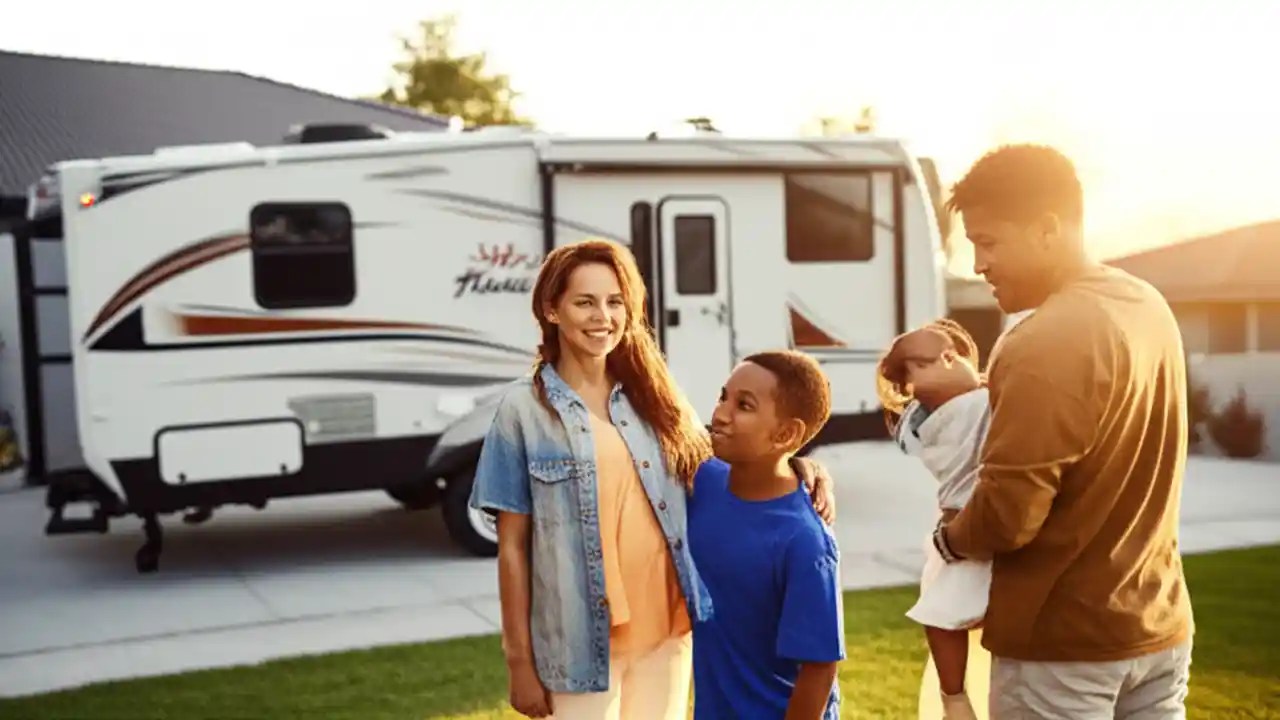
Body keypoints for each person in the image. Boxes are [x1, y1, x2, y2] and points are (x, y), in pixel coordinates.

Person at [468, 238, 836, 720]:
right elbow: (512, 548)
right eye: (585, 301)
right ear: (551, 309)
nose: (603, 315)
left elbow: (725, 461)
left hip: (667, 632)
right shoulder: (523, 409)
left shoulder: (653, 395)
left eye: (615, 301)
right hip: (580, 645)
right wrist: (519, 661)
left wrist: (803, 465)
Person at [930, 144, 1195, 718]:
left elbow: (1006, 515)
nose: (978, 264)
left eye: (989, 241)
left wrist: (948, 540)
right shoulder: (1146, 302)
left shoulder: (1041, 341)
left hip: (1062, 648)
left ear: (1048, 228)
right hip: (1158, 626)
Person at [688, 350, 845, 720]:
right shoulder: (704, 481)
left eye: (744, 406)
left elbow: (819, 668)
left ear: (786, 433)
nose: (721, 414)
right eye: (723, 396)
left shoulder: (805, 541)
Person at [877, 318, 992, 720]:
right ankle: (954, 696)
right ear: (909, 388)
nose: (947, 362)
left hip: (980, 519)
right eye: (926, 363)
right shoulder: (933, 419)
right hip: (963, 520)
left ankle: (961, 693)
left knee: (953, 609)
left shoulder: (983, 398)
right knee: (942, 612)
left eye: (952, 354)